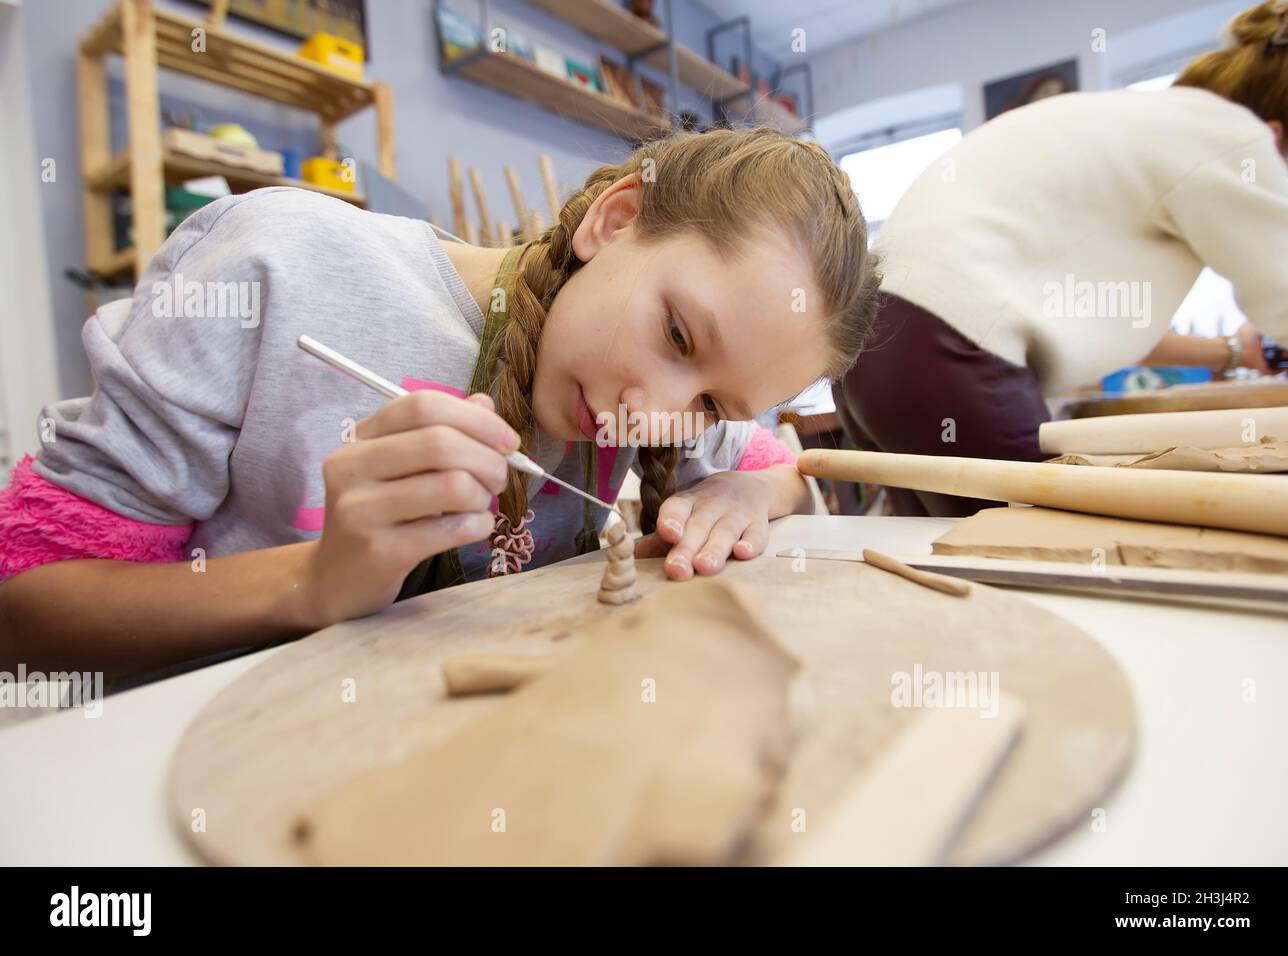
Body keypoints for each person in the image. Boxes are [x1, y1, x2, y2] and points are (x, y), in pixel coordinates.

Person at [0, 126, 880, 675]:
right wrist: (312, 582)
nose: (659, 416)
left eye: (714, 407)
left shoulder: (671, 408)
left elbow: (784, 467)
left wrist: (742, 491)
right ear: (614, 223)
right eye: (679, 337)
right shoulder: (281, 264)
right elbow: (26, 611)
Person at [835, 1, 1288, 517]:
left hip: (869, 361)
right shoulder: (1236, 137)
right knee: (1029, 556)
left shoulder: (1135, 124)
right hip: (947, 358)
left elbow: (1087, 313)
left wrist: (1233, 351)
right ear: (1276, 135)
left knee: (940, 562)